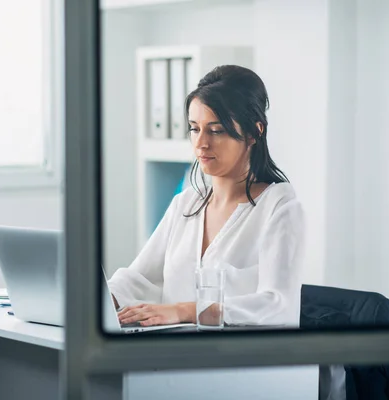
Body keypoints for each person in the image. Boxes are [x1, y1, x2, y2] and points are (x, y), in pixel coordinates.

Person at [108, 65, 305, 328]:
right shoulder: (187, 203)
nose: (201, 143)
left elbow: (278, 304)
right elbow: (139, 279)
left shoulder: (279, 205)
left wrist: (187, 311)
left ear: (254, 132)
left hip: (239, 361)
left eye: (216, 130)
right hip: (177, 353)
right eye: (194, 128)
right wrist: (102, 298)